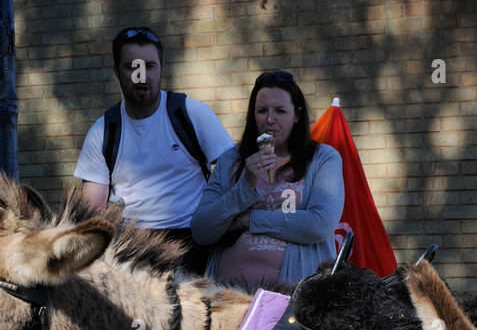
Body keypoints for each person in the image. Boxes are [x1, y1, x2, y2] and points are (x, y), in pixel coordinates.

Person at [72, 27, 233, 273]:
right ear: (117, 71)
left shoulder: (191, 114)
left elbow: (233, 171)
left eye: (149, 66)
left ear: (162, 67)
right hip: (135, 248)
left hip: (194, 241)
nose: (141, 76)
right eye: (132, 67)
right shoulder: (102, 132)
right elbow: (92, 211)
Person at [190, 70, 344, 291]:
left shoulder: (322, 158)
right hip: (226, 298)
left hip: (292, 299)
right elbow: (201, 230)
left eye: (280, 111)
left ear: (297, 115)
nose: (269, 120)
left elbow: (319, 224)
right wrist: (245, 186)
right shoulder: (231, 159)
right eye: (262, 111)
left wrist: (248, 220)